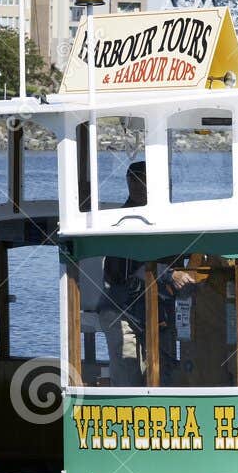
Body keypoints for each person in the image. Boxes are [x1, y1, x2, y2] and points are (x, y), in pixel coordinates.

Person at [100, 162, 198, 385]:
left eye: (142, 180)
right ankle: (126, 405)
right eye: (132, 180)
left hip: (159, 310)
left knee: (166, 372)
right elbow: (130, 269)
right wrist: (170, 275)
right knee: (129, 376)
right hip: (121, 310)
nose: (137, 185)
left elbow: (187, 251)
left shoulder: (169, 220)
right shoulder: (121, 222)